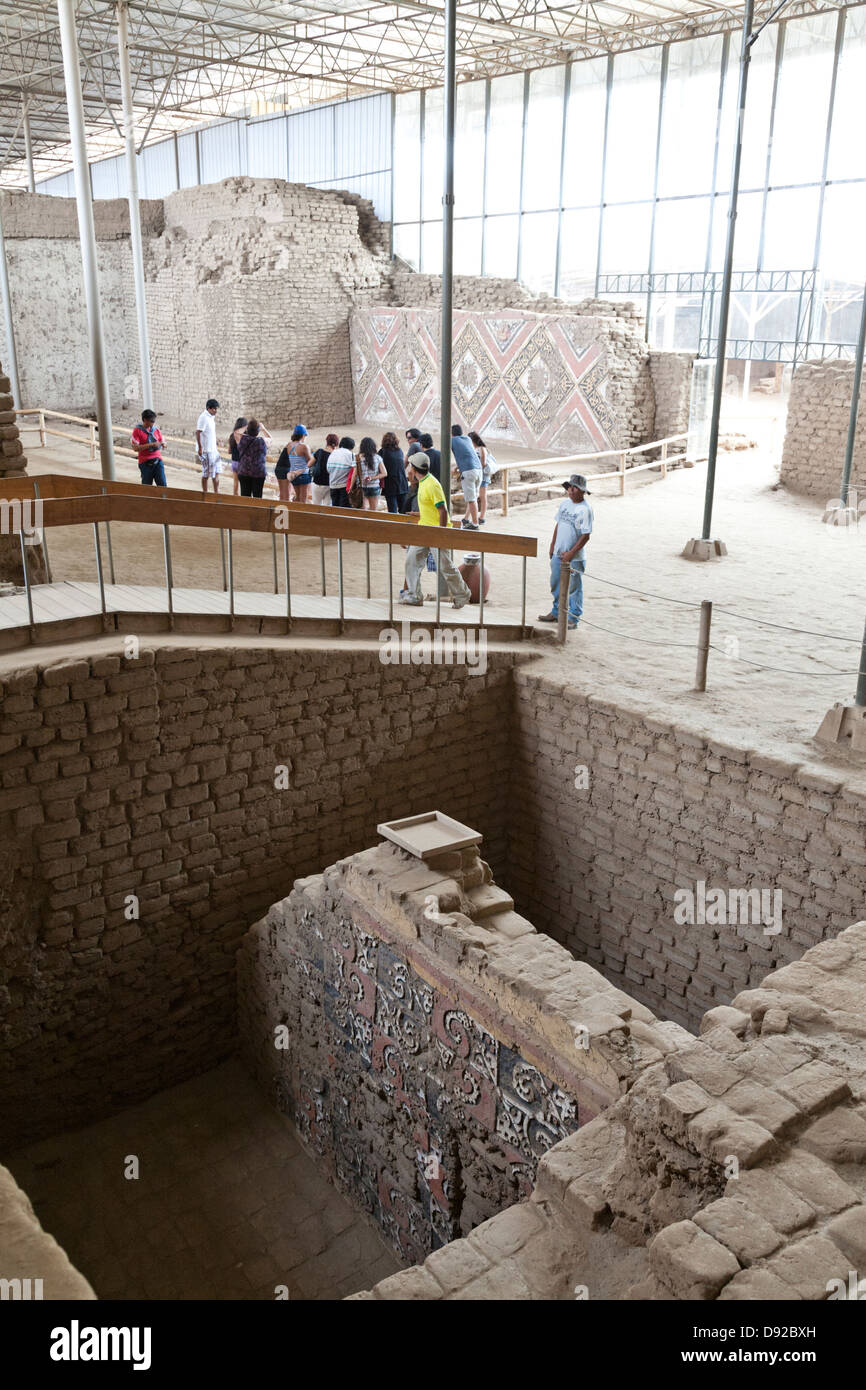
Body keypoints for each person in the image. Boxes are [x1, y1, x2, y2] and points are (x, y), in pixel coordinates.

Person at [399, 454, 470, 609]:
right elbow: (433, 509)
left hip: (436, 532)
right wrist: (419, 515)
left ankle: (462, 594)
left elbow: (443, 510)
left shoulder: (432, 484)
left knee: (445, 567)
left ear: (414, 468)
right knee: (411, 561)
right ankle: (414, 595)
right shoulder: (423, 482)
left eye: (410, 466)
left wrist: (441, 533)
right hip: (424, 530)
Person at [538, 474, 594, 631]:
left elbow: (585, 536)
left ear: (582, 491)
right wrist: (552, 544)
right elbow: (558, 525)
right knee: (555, 583)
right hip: (558, 552)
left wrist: (571, 553)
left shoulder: (586, 510)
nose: (571, 490)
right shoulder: (564, 504)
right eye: (570, 486)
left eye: (575, 487)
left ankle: (573, 617)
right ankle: (557, 612)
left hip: (574, 557)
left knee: (574, 588)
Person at [450, 423, 482, 529]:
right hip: (479, 470)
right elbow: (466, 454)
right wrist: (456, 467)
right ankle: (467, 519)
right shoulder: (467, 439)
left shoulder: (452, 440)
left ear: (451, 434)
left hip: (469, 471)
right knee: (473, 497)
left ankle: (475, 523)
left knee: (471, 499)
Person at [131, 409, 166, 486]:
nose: (153, 423)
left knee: (162, 484)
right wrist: (151, 444)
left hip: (157, 460)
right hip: (145, 462)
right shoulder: (137, 431)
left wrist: (162, 444)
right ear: (145, 420)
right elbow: (135, 448)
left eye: (154, 421)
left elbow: (162, 441)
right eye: (151, 421)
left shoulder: (155, 429)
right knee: (147, 486)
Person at [236, 418, 268, 498]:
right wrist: (263, 429)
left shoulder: (242, 439)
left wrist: (246, 426)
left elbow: (236, 432)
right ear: (258, 431)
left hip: (244, 471)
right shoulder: (262, 441)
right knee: (257, 497)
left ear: (248, 429)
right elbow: (271, 438)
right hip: (258, 472)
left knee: (245, 497)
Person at [469, 430, 495, 525]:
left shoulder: (482, 449)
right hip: (478, 474)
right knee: (476, 496)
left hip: (483, 475)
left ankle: (482, 517)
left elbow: (483, 464)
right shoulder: (475, 448)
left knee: (483, 497)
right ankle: (476, 517)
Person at [196, 398, 221, 495]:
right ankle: (205, 493)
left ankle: (216, 493)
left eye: (216, 408)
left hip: (213, 449)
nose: (216, 411)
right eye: (214, 409)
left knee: (217, 472)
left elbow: (209, 432)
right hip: (206, 451)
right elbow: (198, 432)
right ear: (208, 408)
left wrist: (216, 440)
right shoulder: (203, 417)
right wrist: (200, 448)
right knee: (206, 474)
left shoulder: (211, 417)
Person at [380, 432, 408, 514]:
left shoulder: (383, 452)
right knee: (403, 511)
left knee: (392, 511)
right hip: (402, 483)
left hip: (390, 484)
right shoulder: (400, 451)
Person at [356, 436, 385, 510]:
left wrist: (350, 487)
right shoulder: (378, 458)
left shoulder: (358, 458)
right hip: (374, 486)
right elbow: (384, 473)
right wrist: (372, 478)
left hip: (361, 486)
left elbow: (354, 474)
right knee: (373, 510)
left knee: (362, 509)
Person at [287, 425, 313, 504]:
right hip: (303, 474)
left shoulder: (289, 445)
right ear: (302, 435)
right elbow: (310, 460)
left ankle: (295, 514)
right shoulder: (304, 447)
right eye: (305, 435)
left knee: (297, 496)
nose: (305, 437)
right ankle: (301, 515)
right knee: (303, 499)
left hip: (293, 475)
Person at [328, 436, 356, 507]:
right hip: (344, 486)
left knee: (335, 508)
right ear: (351, 446)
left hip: (332, 485)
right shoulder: (351, 455)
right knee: (345, 510)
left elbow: (328, 469)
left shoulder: (333, 453)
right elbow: (355, 472)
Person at [312, 434, 338, 505]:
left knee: (316, 506)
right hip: (330, 484)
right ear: (336, 443)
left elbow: (309, 464)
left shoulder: (319, 452)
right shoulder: (336, 455)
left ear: (327, 442)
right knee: (327, 507)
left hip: (318, 483)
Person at [228, 417, 247, 496]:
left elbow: (229, 451)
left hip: (234, 463)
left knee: (235, 483)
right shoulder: (245, 436)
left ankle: (235, 497)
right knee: (244, 484)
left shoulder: (232, 435)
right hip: (242, 463)